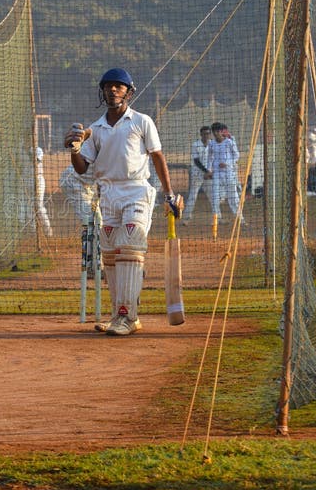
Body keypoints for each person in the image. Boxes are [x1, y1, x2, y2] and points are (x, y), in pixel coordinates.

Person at [65, 67, 181, 336]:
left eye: (119, 86)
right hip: (108, 192)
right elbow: (82, 168)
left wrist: (169, 194)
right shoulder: (95, 129)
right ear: (102, 91)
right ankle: (120, 313)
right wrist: (75, 148)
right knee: (111, 254)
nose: (113, 90)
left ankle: (127, 317)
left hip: (136, 189)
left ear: (129, 92)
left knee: (129, 244)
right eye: (108, 86)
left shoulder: (141, 121)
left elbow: (157, 157)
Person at [208, 121, 243, 224]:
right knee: (215, 196)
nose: (215, 134)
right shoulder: (212, 144)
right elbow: (209, 158)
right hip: (217, 173)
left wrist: (227, 163)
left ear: (220, 131)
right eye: (214, 132)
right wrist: (209, 169)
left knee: (233, 197)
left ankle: (240, 218)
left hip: (228, 173)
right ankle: (216, 218)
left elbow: (237, 156)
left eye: (217, 131)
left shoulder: (229, 142)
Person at [183, 125, 213, 222]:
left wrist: (210, 171)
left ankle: (218, 217)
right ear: (201, 134)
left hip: (208, 174)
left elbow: (213, 159)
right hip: (197, 173)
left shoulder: (212, 144)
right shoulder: (196, 145)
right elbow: (196, 161)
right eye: (204, 134)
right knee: (193, 195)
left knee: (213, 196)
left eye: (208, 134)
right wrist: (206, 171)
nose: (206, 136)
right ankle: (186, 217)